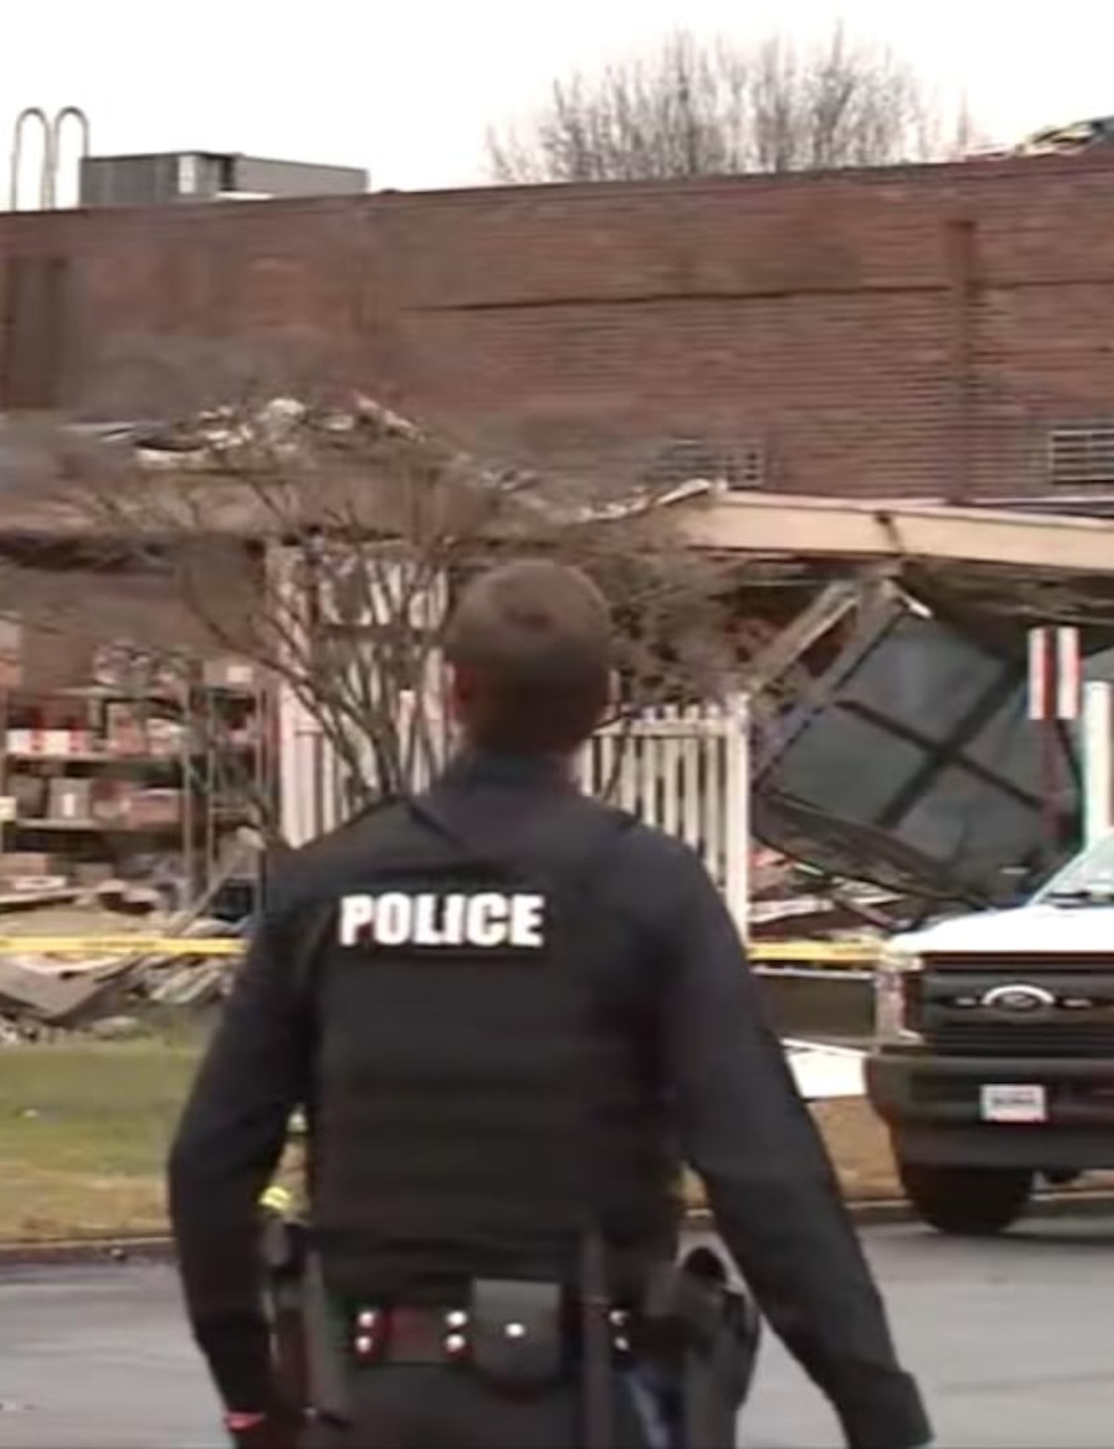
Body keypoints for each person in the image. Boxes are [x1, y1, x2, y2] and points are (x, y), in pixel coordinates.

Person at [167, 561, 931, 1449]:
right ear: (605, 702)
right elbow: (764, 1171)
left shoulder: (328, 888)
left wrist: (251, 1397)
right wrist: (879, 1412)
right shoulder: (645, 889)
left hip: (367, 1399)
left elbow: (211, 1163)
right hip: (581, 1400)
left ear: (452, 692)